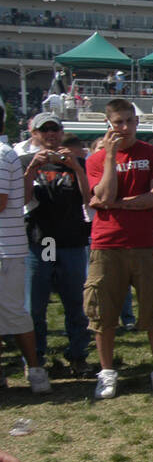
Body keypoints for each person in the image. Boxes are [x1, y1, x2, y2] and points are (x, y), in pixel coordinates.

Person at [83, 98, 153, 400]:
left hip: (147, 243)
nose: (124, 128)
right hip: (107, 244)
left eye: (129, 121)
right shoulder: (95, 160)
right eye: (118, 122)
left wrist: (116, 204)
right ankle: (107, 372)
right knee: (102, 313)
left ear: (137, 122)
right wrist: (109, 158)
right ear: (109, 125)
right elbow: (103, 193)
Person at [21, 115, 92, 379]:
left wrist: (76, 168)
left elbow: (89, 199)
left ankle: (78, 355)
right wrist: (31, 170)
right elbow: (22, 199)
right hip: (40, 241)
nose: (50, 134)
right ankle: (35, 358)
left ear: (62, 133)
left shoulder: (78, 163)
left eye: (55, 129)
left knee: (75, 304)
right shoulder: (24, 162)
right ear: (34, 133)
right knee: (35, 306)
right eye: (44, 129)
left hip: (71, 241)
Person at [2, 133, 51, 394]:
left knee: (16, 312)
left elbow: (3, 202)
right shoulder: (8, 153)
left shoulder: (1, 154)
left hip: (7, 250)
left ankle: (35, 371)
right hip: (12, 247)